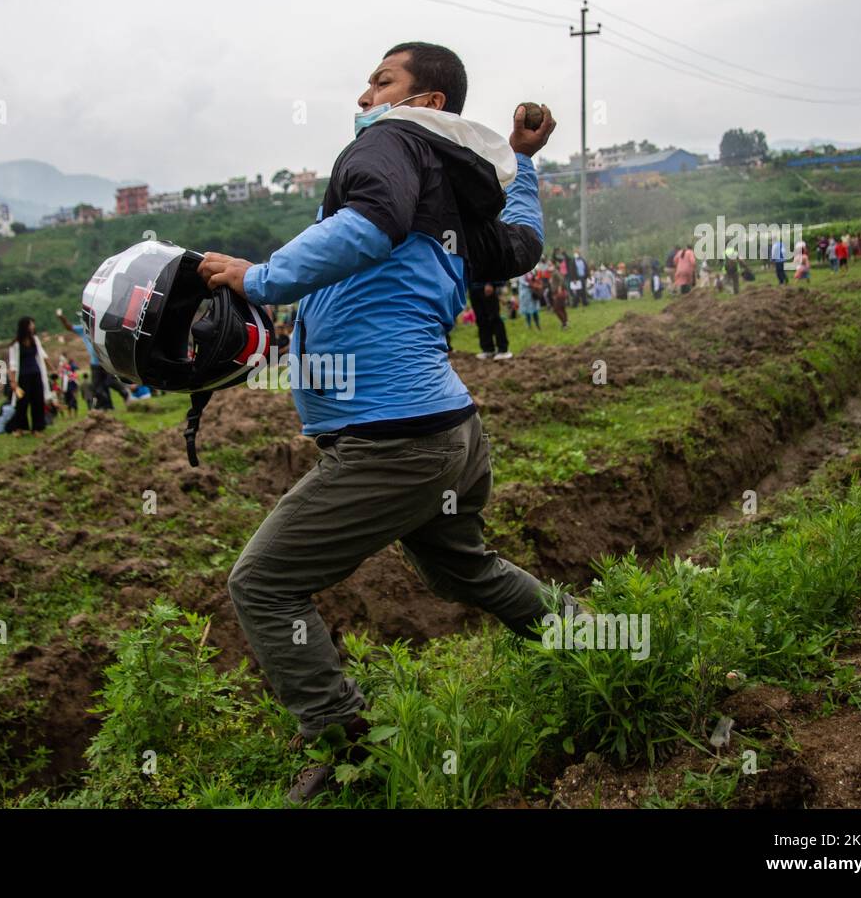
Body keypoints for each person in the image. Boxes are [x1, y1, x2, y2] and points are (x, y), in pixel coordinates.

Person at [194, 41, 585, 802]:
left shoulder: (386, 143)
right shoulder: (444, 188)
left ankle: (346, 754)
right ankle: (594, 640)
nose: (365, 92)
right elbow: (524, 245)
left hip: (396, 442)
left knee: (263, 584)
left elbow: (369, 224)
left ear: (425, 102)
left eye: (382, 80)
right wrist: (527, 162)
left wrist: (261, 277)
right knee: (462, 569)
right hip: (446, 435)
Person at [55, 308, 128, 410]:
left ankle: (125, 394)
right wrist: (61, 317)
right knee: (98, 387)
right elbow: (69, 327)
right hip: (95, 364)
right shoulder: (83, 330)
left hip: (106, 362)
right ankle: (107, 405)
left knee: (110, 382)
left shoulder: (101, 328)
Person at [8, 316, 49, 434]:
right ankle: (21, 428)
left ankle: (38, 427)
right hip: (23, 376)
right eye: (31, 324)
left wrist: (51, 368)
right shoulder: (15, 344)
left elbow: (42, 355)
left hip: (36, 373)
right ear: (25, 327)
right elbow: (13, 364)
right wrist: (13, 382)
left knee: (38, 401)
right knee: (22, 402)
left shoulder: (35, 340)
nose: (33, 327)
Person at [470, 279, 511, 360]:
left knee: (494, 317)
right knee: (480, 319)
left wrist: (490, 283)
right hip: (473, 287)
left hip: (485, 285)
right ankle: (488, 349)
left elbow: (491, 266)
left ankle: (503, 349)